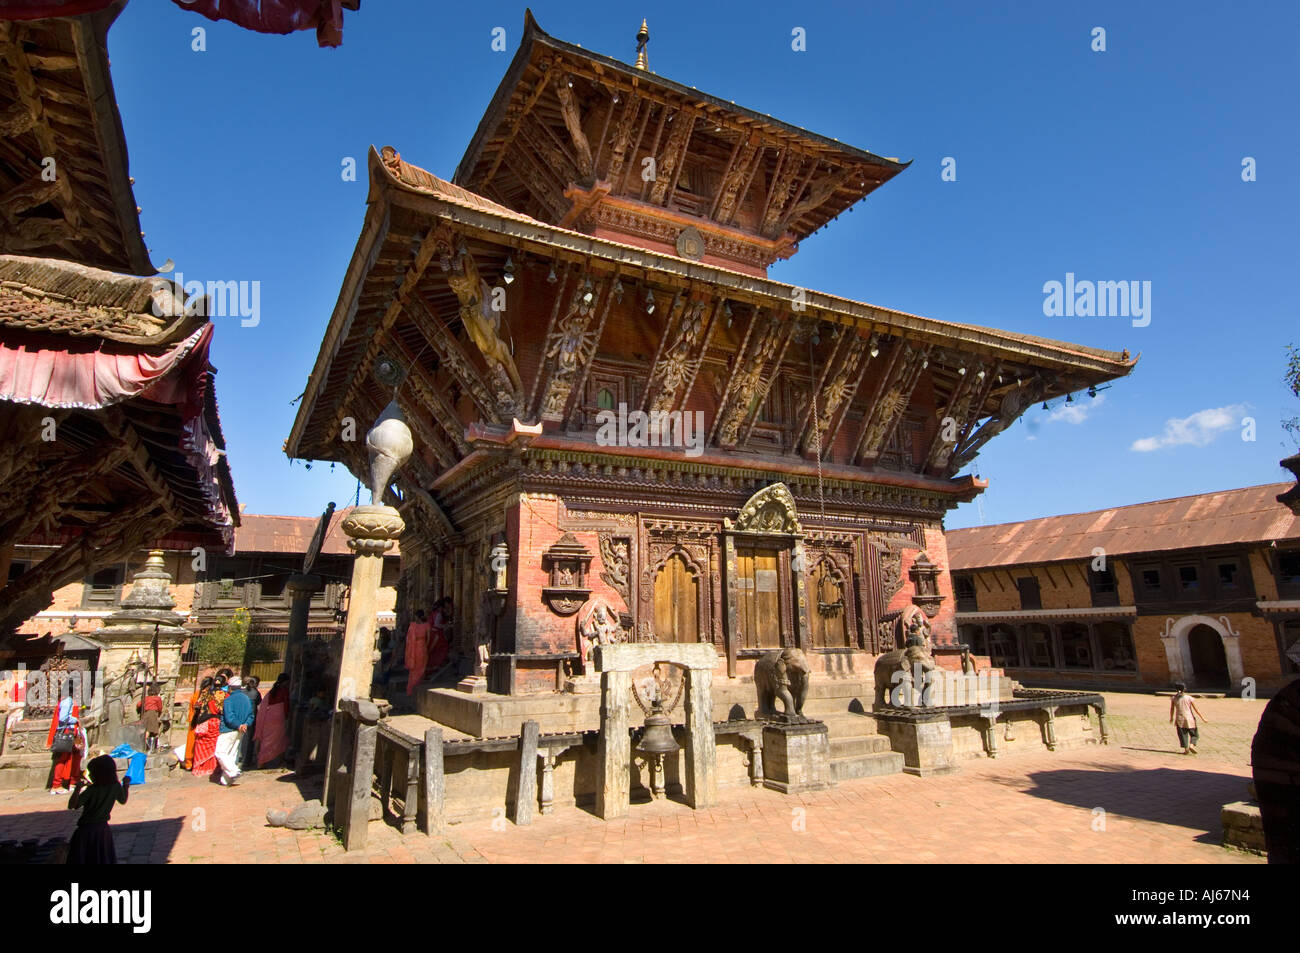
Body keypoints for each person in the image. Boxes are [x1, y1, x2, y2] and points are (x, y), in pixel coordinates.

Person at [66, 754, 129, 864]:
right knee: (102, 857)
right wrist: (126, 785)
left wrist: (77, 789)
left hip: (86, 831)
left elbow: (72, 805)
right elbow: (123, 800)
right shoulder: (115, 786)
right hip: (103, 830)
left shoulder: (91, 791)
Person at [46, 685, 86, 795]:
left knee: (75, 756)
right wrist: (75, 719)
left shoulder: (66, 700)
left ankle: (73, 782)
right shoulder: (67, 701)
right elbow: (63, 718)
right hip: (67, 732)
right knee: (63, 758)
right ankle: (56, 785)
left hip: (70, 732)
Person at [214, 675, 253, 785]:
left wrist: (238, 725)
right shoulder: (247, 699)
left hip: (229, 729)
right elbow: (251, 715)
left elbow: (229, 718)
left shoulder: (228, 700)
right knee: (232, 753)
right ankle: (226, 780)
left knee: (220, 752)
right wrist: (245, 724)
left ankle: (233, 771)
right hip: (241, 730)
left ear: (230, 688)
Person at [188, 679, 224, 777]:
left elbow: (197, 706)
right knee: (213, 746)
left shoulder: (205, 695)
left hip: (204, 722)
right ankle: (211, 768)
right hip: (216, 722)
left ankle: (199, 768)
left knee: (200, 745)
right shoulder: (223, 695)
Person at [255, 674, 291, 767]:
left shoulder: (272, 691)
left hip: (269, 715)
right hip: (279, 716)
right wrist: (287, 715)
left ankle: (262, 761)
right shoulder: (284, 690)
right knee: (279, 738)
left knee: (268, 738)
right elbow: (286, 704)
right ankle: (278, 760)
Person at [1170, 683, 1208, 755]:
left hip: (1179, 719)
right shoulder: (1189, 698)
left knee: (1182, 734)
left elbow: (1172, 709)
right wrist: (1203, 718)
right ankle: (1191, 745)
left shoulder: (1174, 698)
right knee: (1194, 734)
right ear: (1185, 689)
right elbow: (1196, 709)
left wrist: (1171, 718)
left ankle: (1186, 749)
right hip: (1189, 718)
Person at [404, 610, 431, 696]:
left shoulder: (413, 626)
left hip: (414, 648)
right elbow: (429, 638)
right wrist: (426, 646)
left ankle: (411, 688)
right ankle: (416, 686)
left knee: (415, 668)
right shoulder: (426, 625)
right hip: (421, 647)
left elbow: (408, 639)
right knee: (420, 668)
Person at [239, 675, 262, 769]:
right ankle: (247, 760)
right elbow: (259, 702)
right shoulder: (256, 693)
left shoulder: (242, 692)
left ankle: (242, 757)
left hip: (241, 716)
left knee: (241, 738)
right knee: (249, 739)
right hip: (251, 717)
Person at [428, 597, 453, 676]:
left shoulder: (434, 613)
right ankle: (435, 666)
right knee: (442, 649)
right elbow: (437, 624)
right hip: (437, 634)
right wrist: (446, 626)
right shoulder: (438, 614)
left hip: (433, 633)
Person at [137, 683, 163, 753]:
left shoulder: (146, 698)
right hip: (152, 714)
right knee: (150, 730)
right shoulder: (157, 699)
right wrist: (159, 713)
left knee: (146, 729)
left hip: (145, 714)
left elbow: (139, 704)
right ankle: (148, 745)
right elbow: (160, 708)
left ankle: (148, 744)